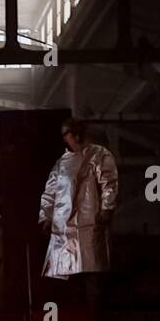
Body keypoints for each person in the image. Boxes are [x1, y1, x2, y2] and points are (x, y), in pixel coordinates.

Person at [38, 118, 119, 303]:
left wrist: (106, 208)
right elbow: (50, 192)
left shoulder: (99, 155)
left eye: (67, 135)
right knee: (71, 279)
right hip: (64, 229)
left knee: (92, 278)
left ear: (76, 134)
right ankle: (78, 320)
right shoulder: (62, 163)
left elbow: (109, 183)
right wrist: (46, 216)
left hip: (90, 225)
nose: (66, 140)